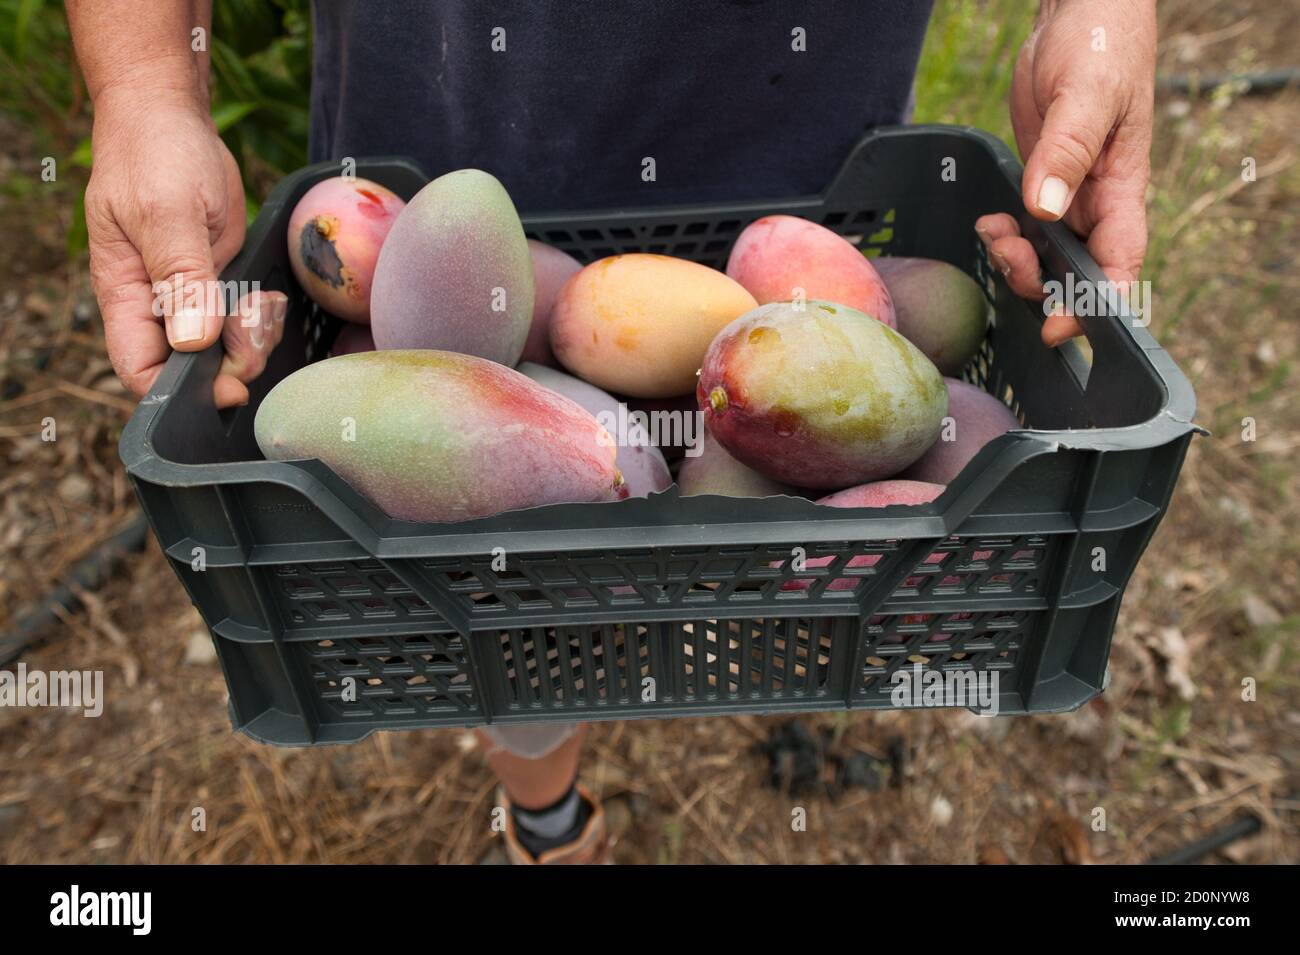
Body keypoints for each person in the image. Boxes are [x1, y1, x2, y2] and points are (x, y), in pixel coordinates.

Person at [68, 0, 1157, 864]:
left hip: (799, 139)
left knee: (631, 521)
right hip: (438, 111)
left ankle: (579, 770)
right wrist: (147, 87)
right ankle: (547, 820)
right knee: (510, 618)